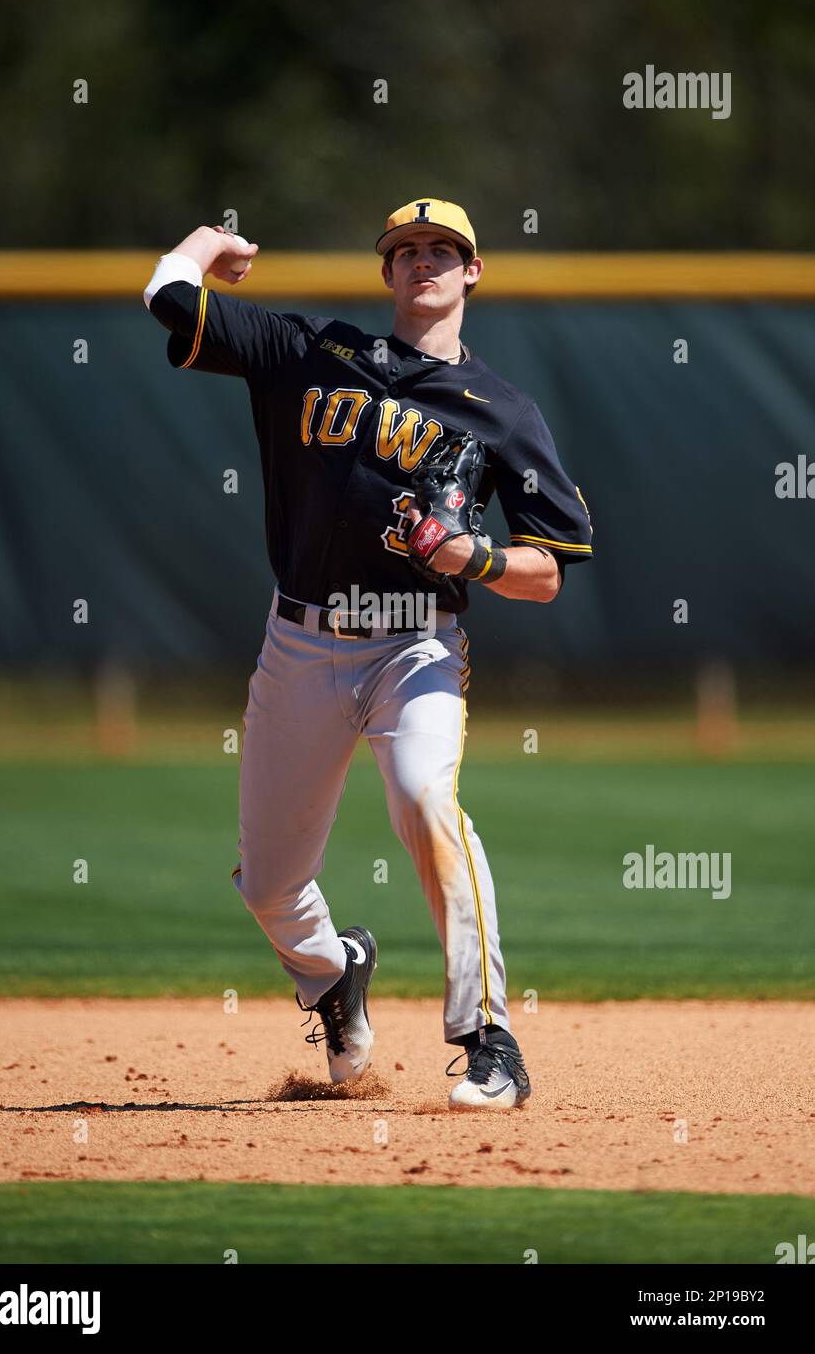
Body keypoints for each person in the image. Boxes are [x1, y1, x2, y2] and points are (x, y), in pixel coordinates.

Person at [144, 197, 593, 1109]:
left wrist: (481, 557)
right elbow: (166, 293)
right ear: (387, 273)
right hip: (301, 642)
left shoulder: (503, 412)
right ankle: (333, 976)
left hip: (415, 645)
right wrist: (212, 244)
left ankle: (488, 1040)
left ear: (473, 272)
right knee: (270, 883)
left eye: (443, 250)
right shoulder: (311, 351)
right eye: (406, 250)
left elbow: (549, 570)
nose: (423, 261)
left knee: (427, 801)